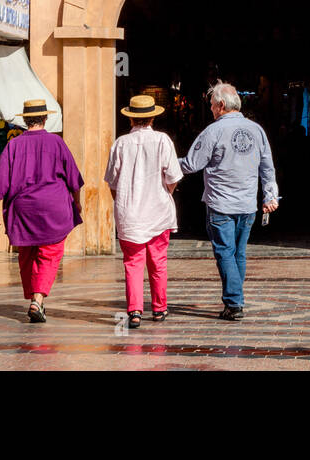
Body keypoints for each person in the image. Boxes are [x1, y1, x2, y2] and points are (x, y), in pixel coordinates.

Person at [178, 81, 279, 321]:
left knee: (225, 252)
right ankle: (235, 299)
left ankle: (234, 303)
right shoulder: (256, 130)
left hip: (221, 204)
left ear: (221, 105)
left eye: (212, 105)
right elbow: (267, 167)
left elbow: (192, 163)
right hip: (246, 205)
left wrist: (164, 162)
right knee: (238, 253)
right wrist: (270, 195)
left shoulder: (213, 131)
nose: (211, 110)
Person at [0, 99, 83, 323]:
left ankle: (33, 296)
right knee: (49, 253)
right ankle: (37, 300)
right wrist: (76, 203)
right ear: (46, 118)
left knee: (27, 253)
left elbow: (0, 179)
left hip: (23, 209)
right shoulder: (57, 143)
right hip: (54, 207)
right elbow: (74, 179)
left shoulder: (14, 145)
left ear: (25, 120)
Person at [105, 94, 183, 328]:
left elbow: (112, 182)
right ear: (152, 118)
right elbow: (172, 177)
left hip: (129, 214)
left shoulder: (120, 143)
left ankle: (135, 310)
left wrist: (122, 202)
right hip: (158, 211)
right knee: (158, 262)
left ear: (131, 119)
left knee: (133, 263)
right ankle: (159, 308)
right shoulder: (162, 140)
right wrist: (165, 192)